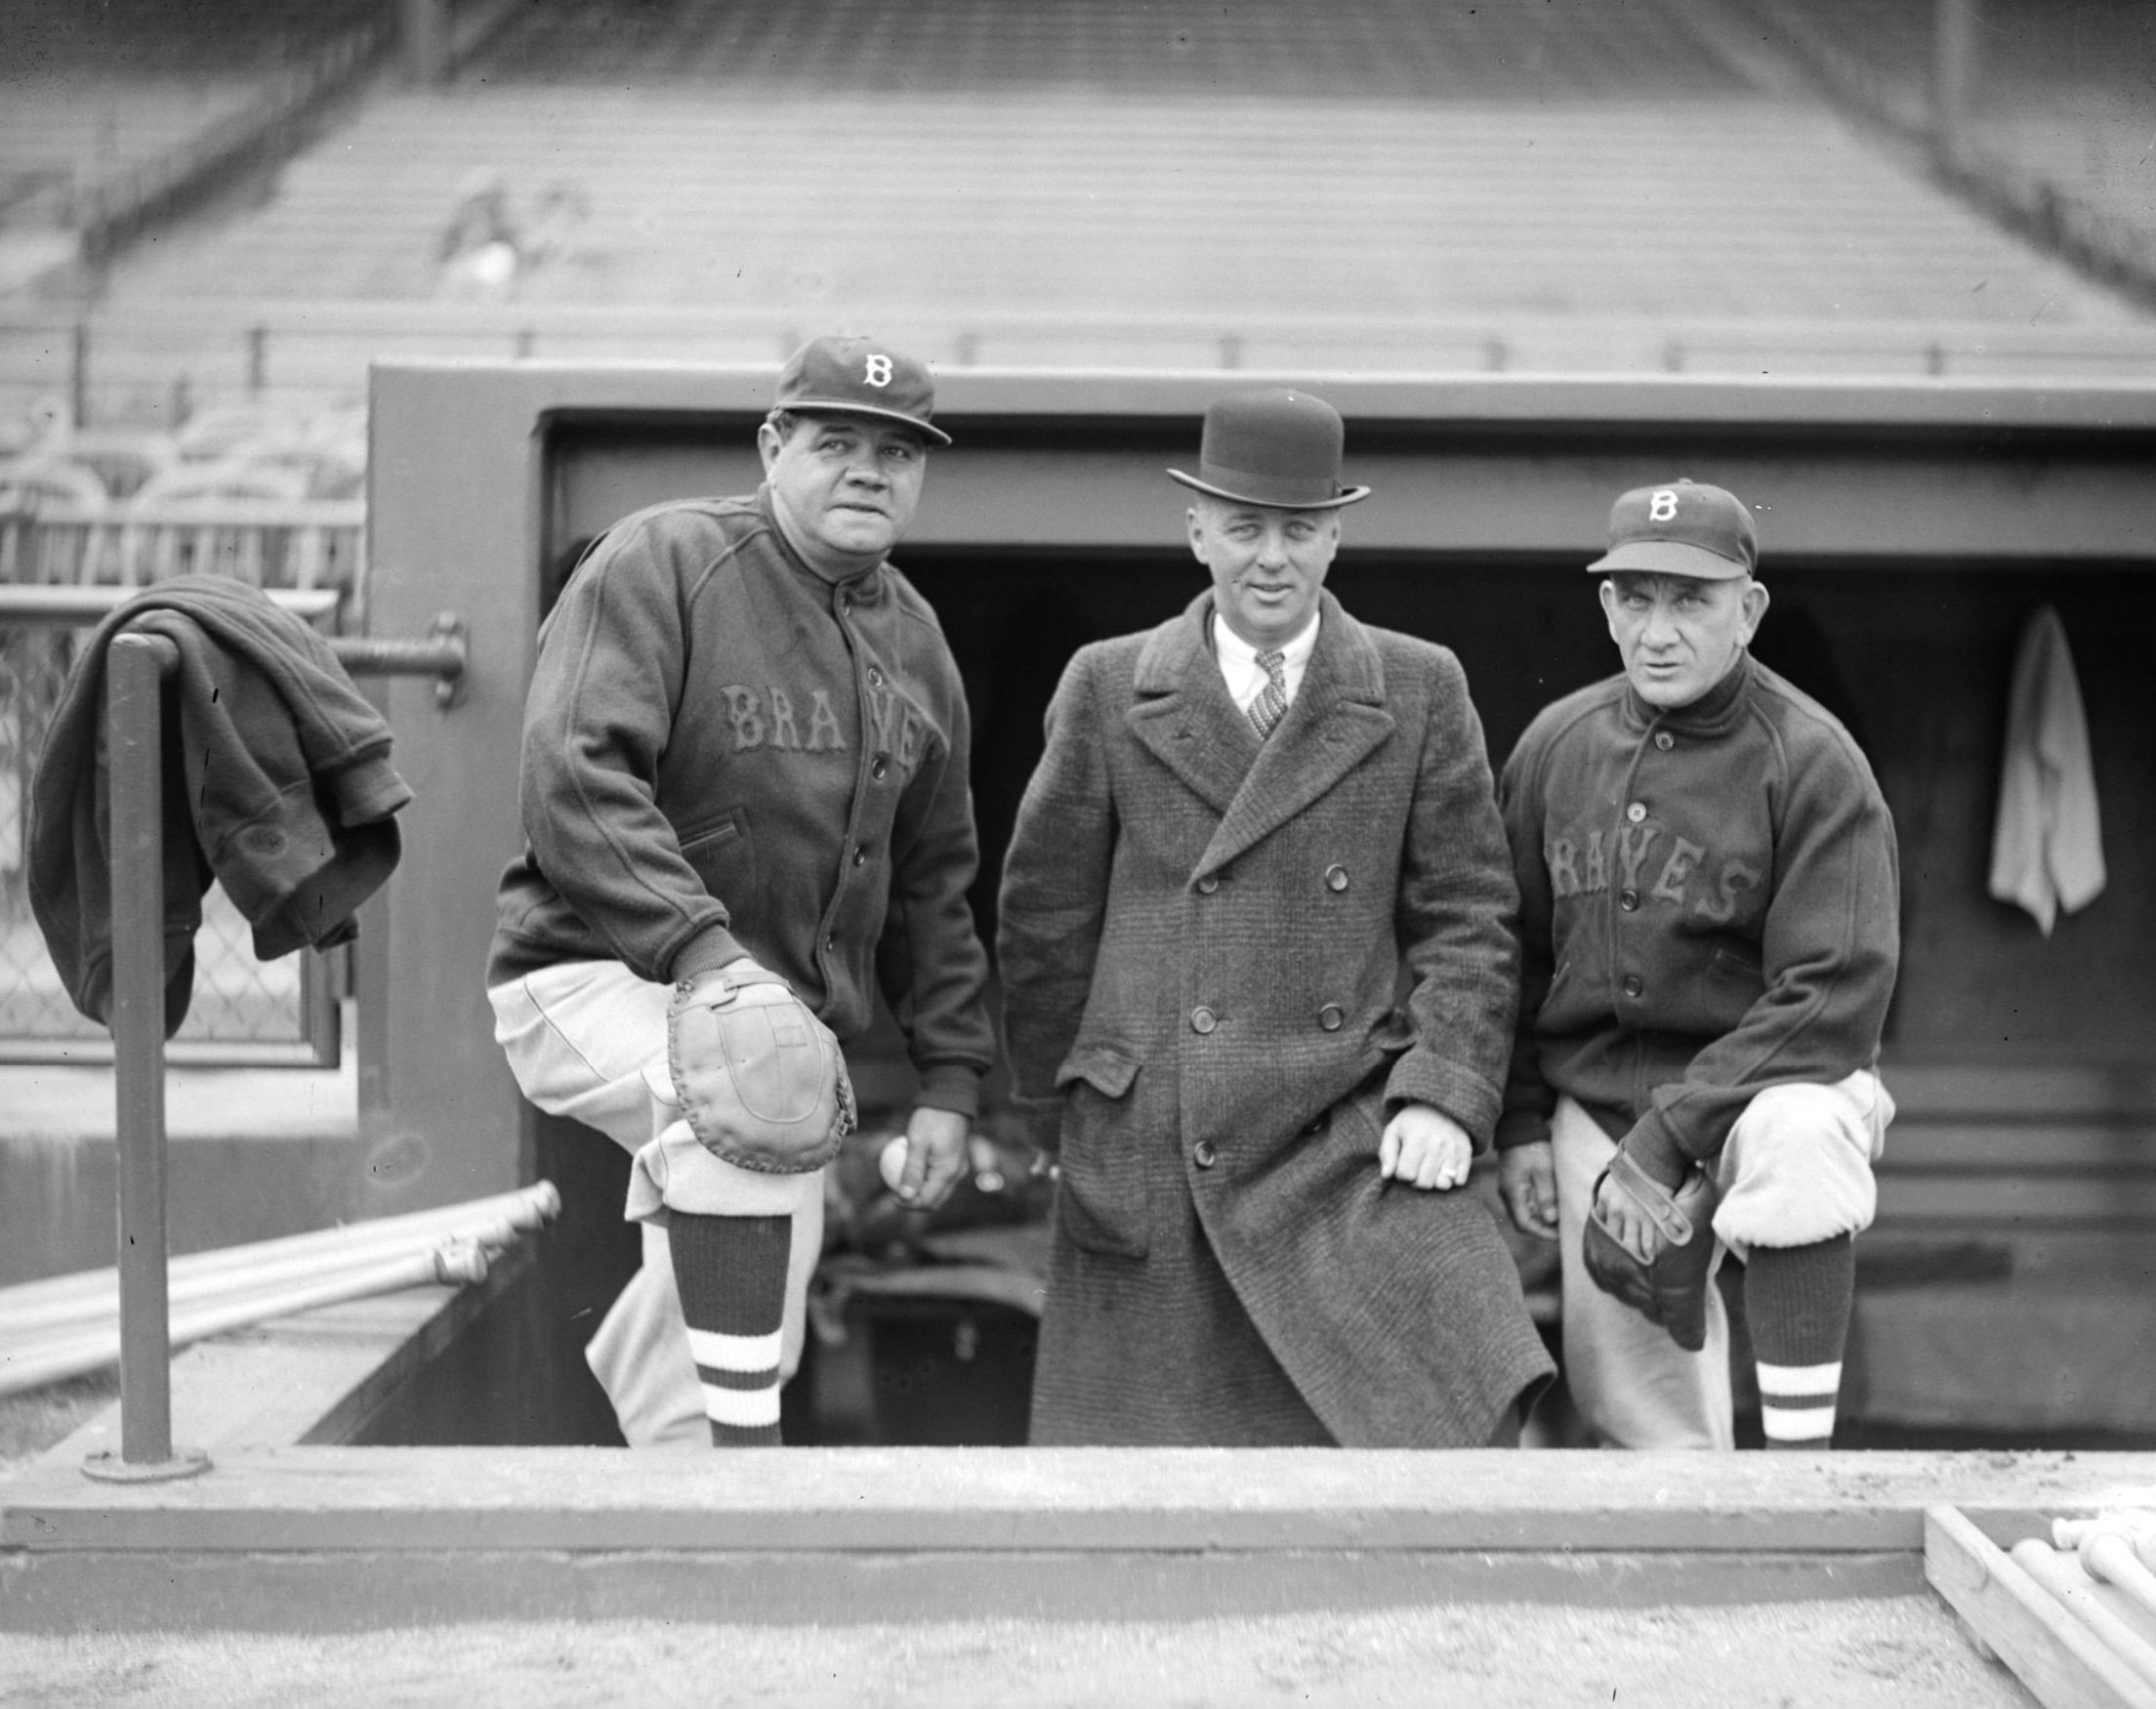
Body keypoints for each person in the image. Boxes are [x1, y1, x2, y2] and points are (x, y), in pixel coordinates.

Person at [997, 388, 1553, 1447]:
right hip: (1157, 1126)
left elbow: (1471, 919)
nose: (1271, 557)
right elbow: (1043, 923)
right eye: (1245, 527)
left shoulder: (1419, 686)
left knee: (1464, 1357)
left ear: (1336, 536)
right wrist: (1058, 1108)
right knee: (1147, 1486)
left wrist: (1444, 1094)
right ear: (1196, 529)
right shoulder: (1110, 686)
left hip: (1345, 1120)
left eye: (1299, 530)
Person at [486, 337, 993, 1447]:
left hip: (774, 1036)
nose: (870, 470)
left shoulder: (915, 642)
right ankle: (741, 1477)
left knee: (764, 1284)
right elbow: (573, 777)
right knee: (751, 1099)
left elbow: (934, 886)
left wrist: (951, 1082)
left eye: (897, 452)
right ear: (773, 445)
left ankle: (684, 1458)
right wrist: (708, 959)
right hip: (586, 974)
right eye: (837, 443)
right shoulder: (664, 558)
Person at [1494, 480, 1899, 1450]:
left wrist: (1673, 1134)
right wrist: (1517, 1125)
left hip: (1766, 1084)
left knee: (1803, 1135)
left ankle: (1803, 1486)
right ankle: (1691, 1526)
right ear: (1605, 608)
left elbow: (1832, 995)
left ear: (1747, 611)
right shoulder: (1558, 745)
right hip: (1601, 1097)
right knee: (1644, 1419)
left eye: (1691, 600)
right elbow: (1506, 949)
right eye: (1635, 599)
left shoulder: (1811, 759)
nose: (1659, 631)